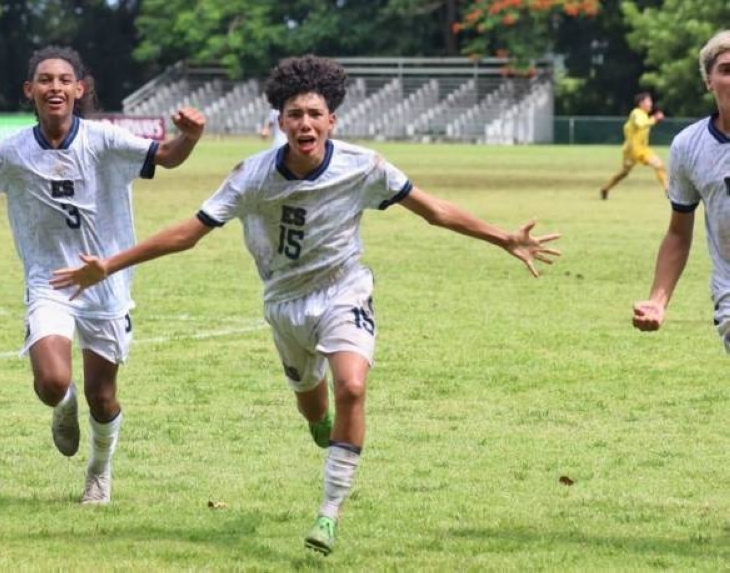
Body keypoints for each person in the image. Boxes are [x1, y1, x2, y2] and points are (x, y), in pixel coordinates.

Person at [51, 55, 561, 555]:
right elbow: (190, 232)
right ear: (281, 122)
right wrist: (110, 264)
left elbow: (434, 211)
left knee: (353, 387)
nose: (306, 123)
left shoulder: (364, 167)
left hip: (344, 291)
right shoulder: (252, 176)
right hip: (285, 305)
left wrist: (503, 238)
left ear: (331, 121)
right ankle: (321, 425)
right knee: (315, 409)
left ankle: (329, 514)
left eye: (315, 114)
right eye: (295, 114)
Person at [0, 46, 206, 504]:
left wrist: (191, 136)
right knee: (51, 382)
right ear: (30, 90)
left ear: (79, 89)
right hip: (51, 281)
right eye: (45, 80)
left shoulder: (103, 140)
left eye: (65, 80)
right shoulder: (14, 150)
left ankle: (99, 471)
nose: (55, 87)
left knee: (103, 398)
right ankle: (62, 405)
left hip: (105, 281)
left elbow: (166, 156)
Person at [633, 30, 730, 352]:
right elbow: (678, 233)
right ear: (709, 81)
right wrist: (658, 301)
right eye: (727, 70)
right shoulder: (689, 146)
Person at [600, 92, 668, 200]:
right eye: (648, 101)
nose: (651, 104)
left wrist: (653, 119)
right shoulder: (636, 112)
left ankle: (605, 189)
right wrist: (654, 119)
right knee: (657, 165)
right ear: (641, 103)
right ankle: (668, 190)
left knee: (657, 166)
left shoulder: (644, 115)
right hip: (633, 150)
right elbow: (640, 124)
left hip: (640, 149)